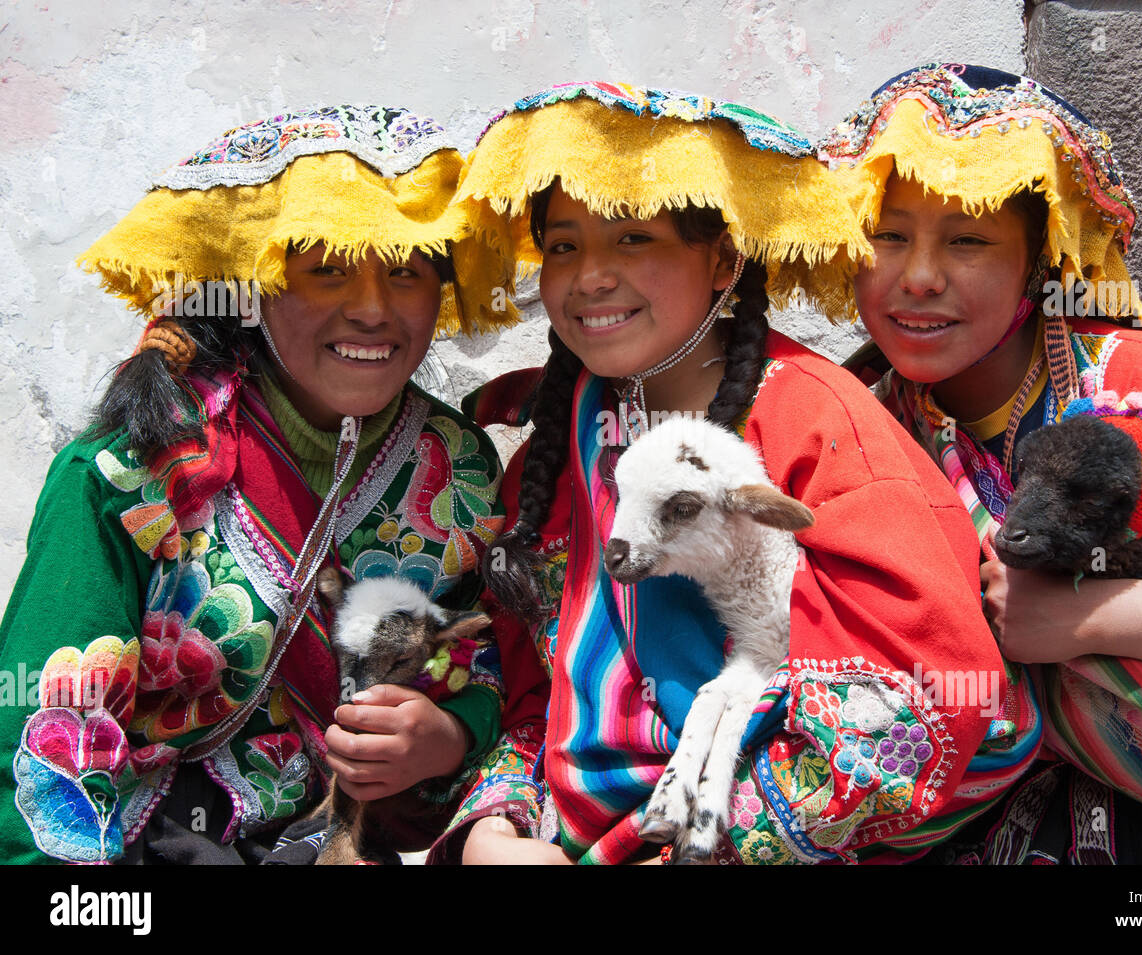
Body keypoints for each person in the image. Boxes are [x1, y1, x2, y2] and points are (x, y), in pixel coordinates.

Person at [436, 82, 1029, 865]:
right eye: (564, 245)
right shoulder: (562, 439)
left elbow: (915, 707)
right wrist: (497, 825)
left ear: (720, 258)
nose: (589, 278)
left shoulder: (815, 425)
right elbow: (530, 696)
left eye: (633, 239)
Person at [0, 106, 516, 864]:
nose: (372, 308)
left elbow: (494, 664)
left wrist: (449, 735)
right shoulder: (129, 473)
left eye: (406, 270)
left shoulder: (461, 466)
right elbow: (41, 745)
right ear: (257, 286)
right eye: (327, 268)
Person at [820, 63, 1142, 862]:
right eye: (889, 234)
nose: (919, 277)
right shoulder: (848, 424)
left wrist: (1085, 620)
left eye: (967, 239)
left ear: (1042, 259)